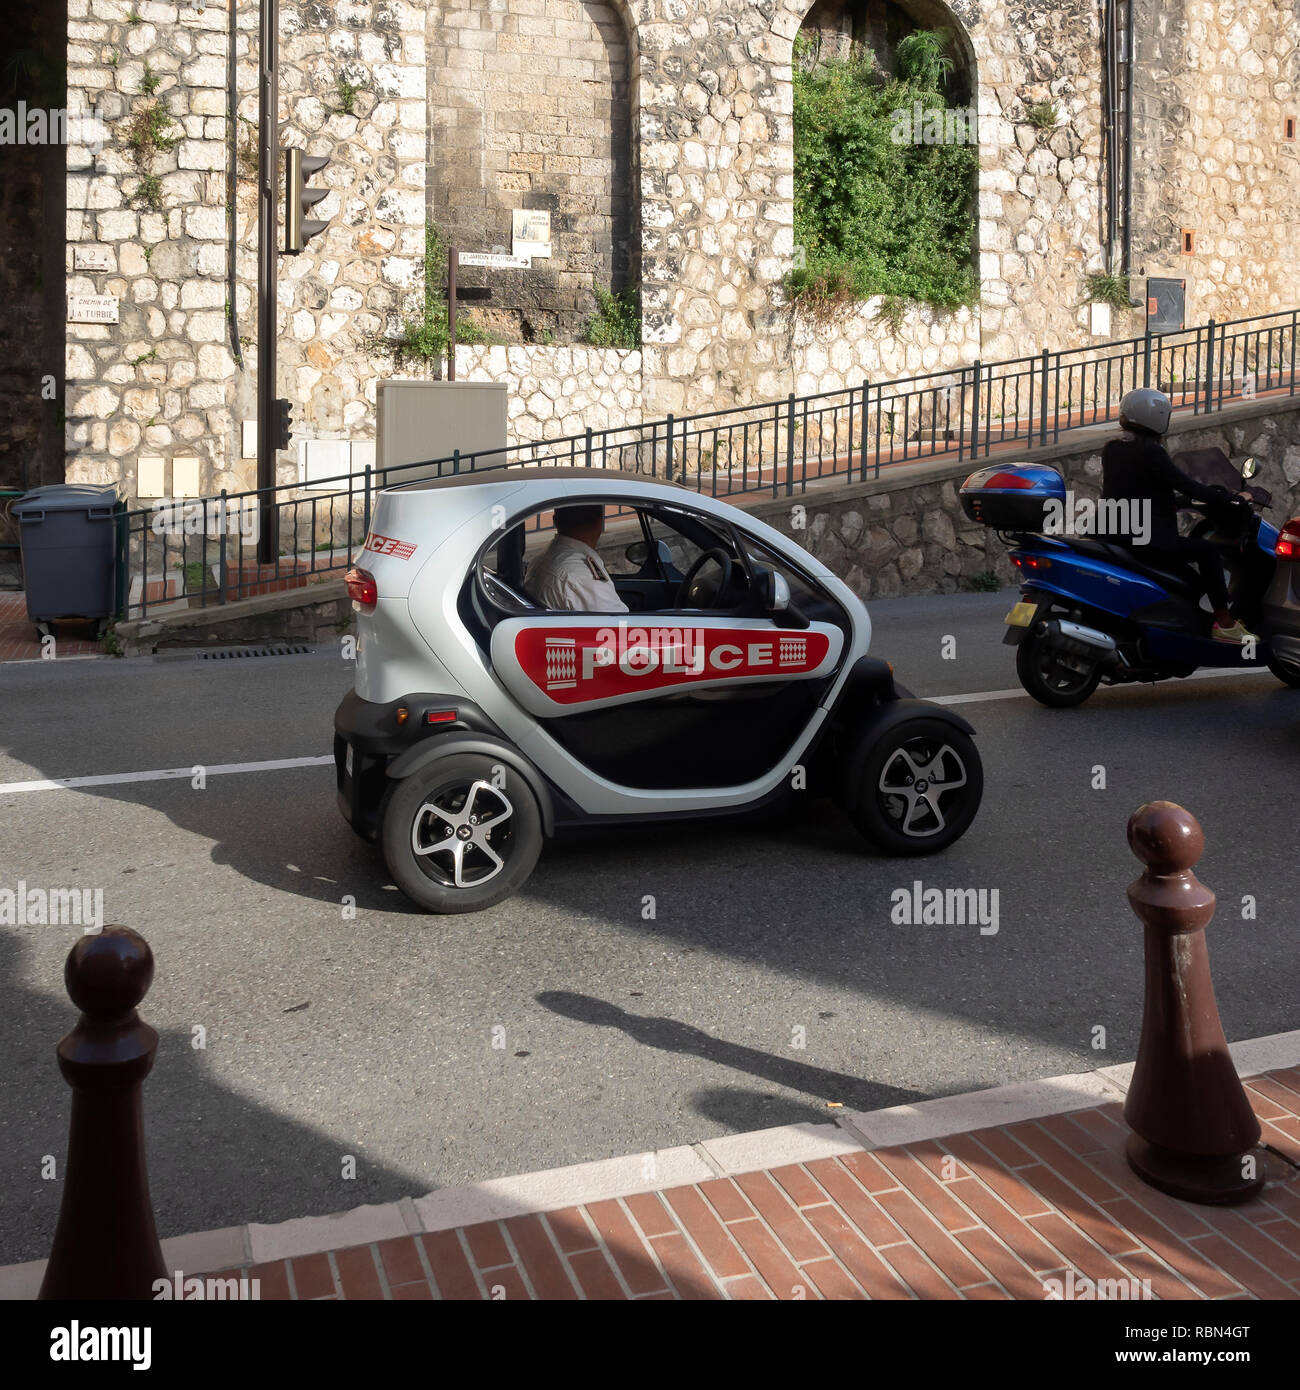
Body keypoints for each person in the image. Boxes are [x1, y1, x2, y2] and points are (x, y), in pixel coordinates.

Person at [1100, 388, 1253, 643]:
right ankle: (1225, 623)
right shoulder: (1150, 451)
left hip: (1117, 533)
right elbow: (1186, 483)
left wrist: (1178, 502)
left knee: (1188, 578)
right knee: (1207, 552)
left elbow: (1138, 489)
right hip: (1148, 539)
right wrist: (1232, 498)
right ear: (1158, 417)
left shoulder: (1112, 449)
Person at [525, 504, 629, 613]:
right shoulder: (582, 577)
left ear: (555, 521)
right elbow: (617, 625)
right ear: (600, 522)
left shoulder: (541, 557)